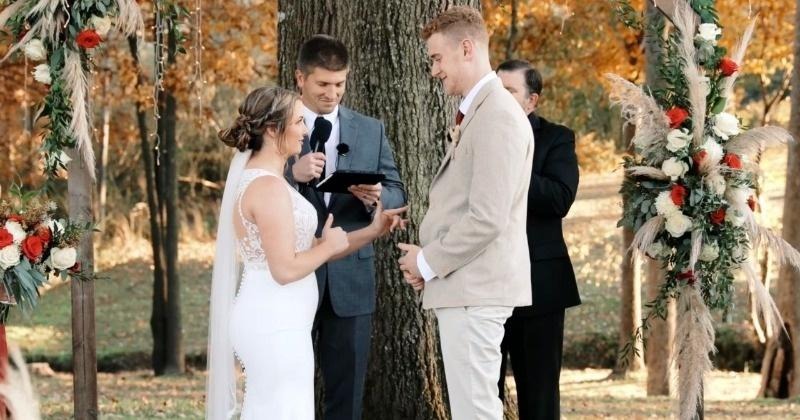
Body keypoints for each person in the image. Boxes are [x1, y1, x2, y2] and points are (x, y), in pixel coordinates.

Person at [205, 86, 406, 420]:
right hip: (274, 322)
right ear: (273, 130)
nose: (306, 129)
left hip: (284, 321)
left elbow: (310, 250)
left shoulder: (270, 182)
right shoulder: (267, 188)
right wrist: (325, 246)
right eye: (299, 121)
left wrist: (371, 231)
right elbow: (284, 269)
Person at [397, 7, 534, 420]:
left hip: (477, 292)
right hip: (467, 289)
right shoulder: (481, 112)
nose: (434, 70)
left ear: (467, 48)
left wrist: (427, 260)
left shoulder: (496, 116)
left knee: (475, 413)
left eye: (437, 58)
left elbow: (487, 218)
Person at [287, 35, 406, 420]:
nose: (332, 93)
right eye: (323, 84)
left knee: (347, 394)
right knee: (288, 387)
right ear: (300, 78)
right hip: (292, 274)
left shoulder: (370, 130)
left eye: (340, 84)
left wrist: (375, 198)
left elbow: (397, 189)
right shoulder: (276, 127)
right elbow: (252, 184)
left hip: (350, 277)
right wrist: (292, 174)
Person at [495, 59, 581, 420]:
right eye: (496, 90)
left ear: (533, 101)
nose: (500, 98)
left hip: (540, 285)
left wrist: (511, 167)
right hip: (485, 283)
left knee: (540, 396)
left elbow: (560, 198)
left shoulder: (557, 138)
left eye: (510, 91)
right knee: (484, 391)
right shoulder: (476, 137)